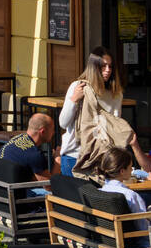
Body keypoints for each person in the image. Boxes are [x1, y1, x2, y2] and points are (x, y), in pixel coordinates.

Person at [59, 47, 149, 176]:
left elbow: (114, 127)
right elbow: (63, 123)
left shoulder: (115, 95)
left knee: (99, 196)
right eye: (103, 66)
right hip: (74, 156)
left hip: (102, 158)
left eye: (110, 67)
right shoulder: (79, 87)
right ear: (93, 67)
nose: (107, 70)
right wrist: (74, 99)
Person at [0, 113, 56, 183]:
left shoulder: (15, 139)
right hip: (14, 191)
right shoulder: (34, 154)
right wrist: (58, 162)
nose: (53, 133)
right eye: (52, 129)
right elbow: (50, 186)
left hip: (0, 187)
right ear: (42, 131)